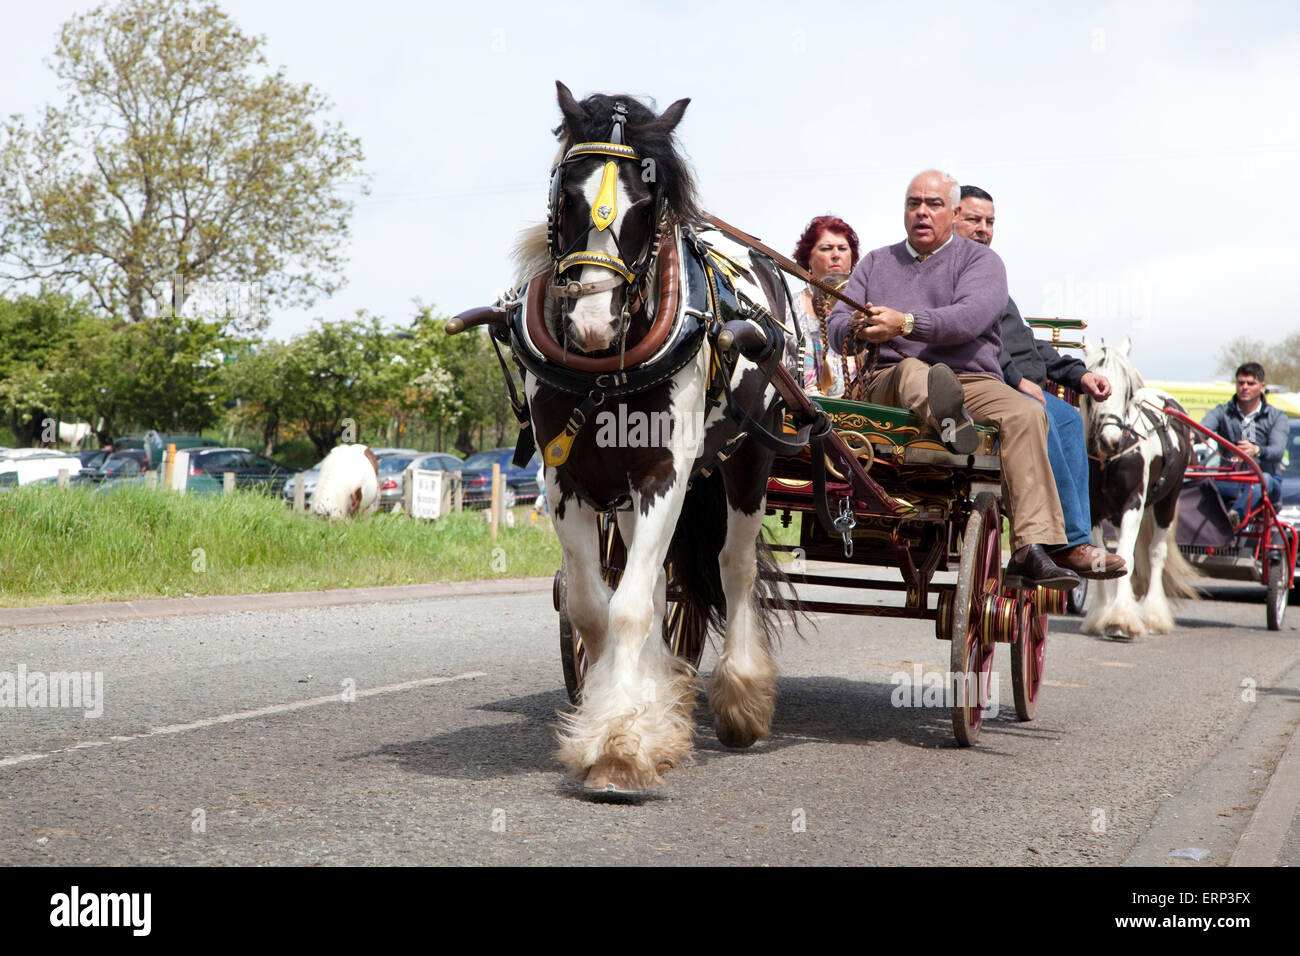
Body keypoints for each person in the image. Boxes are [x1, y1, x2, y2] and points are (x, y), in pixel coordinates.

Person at [825, 169, 1078, 590]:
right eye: (913, 204)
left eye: (933, 204)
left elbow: (970, 318)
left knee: (1027, 413)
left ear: (955, 212)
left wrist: (904, 323)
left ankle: (1031, 548)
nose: (921, 212)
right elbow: (836, 329)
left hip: (973, 380)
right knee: (912, 371)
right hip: (891, 382)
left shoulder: (983, 262)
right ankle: (951, 421)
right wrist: (859, 324)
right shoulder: (875, 262)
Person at [954, 185, 1125, 579]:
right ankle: (1058, 543)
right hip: (990, 386)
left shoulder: (990, 277)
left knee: (1067, 418)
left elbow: (1029, 346)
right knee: (1043, 414)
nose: (983, 229)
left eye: (990, 222)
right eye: (973, 220)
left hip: (1023, 384)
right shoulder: (954, 273)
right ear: (953, 219)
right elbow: (970, 337)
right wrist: (1014, 380)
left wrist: (1080, 375)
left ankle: (1075, 541)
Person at [1201, 362, 1289, 524]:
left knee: (1264, 479)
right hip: (1231, 482)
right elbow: (1202, 429)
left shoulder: (1277, 417)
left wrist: (1257, 450)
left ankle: (1234, 521)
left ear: (1262, 386)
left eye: (1250, 383)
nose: (1245, 387)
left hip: (1266, 487)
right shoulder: (1222, 412)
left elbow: (1278, 451)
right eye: (1241, 383)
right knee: (1201, 483)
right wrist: (1191, 435)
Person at [790, 216, 859, 396]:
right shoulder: (787, 306)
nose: (836, 254)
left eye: (843, 248)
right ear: (808, 260)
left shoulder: (867, 306)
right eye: (826, 248)